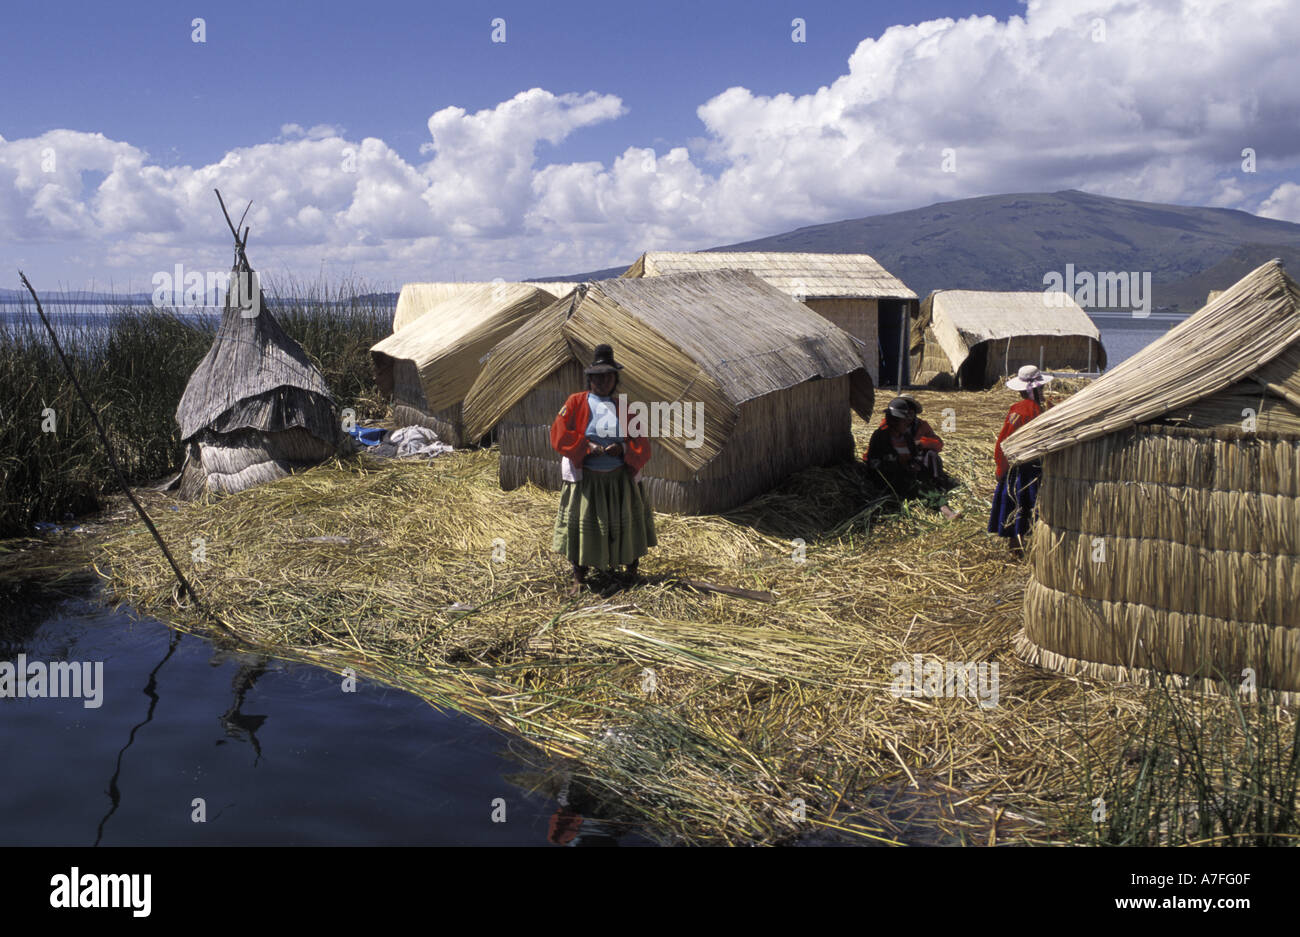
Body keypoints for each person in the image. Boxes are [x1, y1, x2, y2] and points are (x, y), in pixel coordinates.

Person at [550, 344, 657, 595]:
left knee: (624, 524)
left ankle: (631, 571)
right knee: (584, 525)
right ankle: (579, 576)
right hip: (587, 480)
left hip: (618, 480)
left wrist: (623, 450)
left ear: (615, 379)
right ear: (590, 379)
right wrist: (586, 446)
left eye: (608, 376)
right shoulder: (576, 402)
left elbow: (640, 441)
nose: (603, 381)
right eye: (598, 376)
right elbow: (558, 435)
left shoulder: (625, 407)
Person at [988, 364, 1051, 556]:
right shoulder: (1041, 409)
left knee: (1017, 504)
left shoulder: (1021, 409)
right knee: (1029, 503)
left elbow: (1004, 442)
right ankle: (1029, 547)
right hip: (1033, 467)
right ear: (1039, 387)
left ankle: (1017, 547)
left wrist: (1000, 469)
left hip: (1021, 468)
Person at [863, 395, 961, 519]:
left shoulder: (908, 435)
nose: (907, 422)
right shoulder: (881, 436)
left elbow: (920, 453)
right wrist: (896, 467)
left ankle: (940, 486)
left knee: (926, 474)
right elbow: (874, 463)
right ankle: (945, 511)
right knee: (920, 488)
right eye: (904, 420)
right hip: (888, 480)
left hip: (906, 474)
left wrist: (914, 464)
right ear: (893, 420)